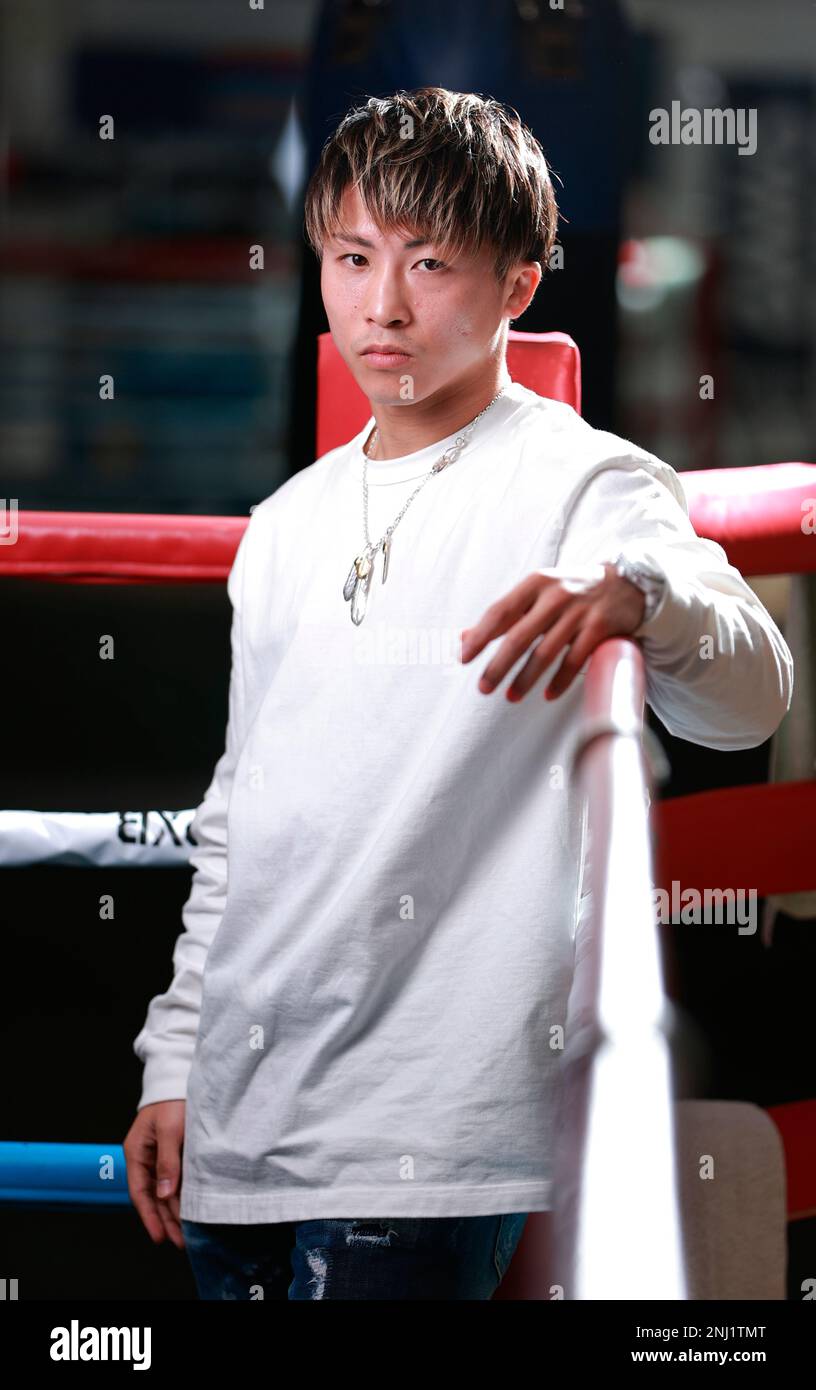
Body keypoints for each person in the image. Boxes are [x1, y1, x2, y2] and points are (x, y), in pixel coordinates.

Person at [123, 87, 794, 1301]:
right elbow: (239, 823)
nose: (382, 306)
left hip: (427, 1136)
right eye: (352, 258)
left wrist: (640, 596)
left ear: (519, 285)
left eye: (430, 263)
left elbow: (752, 693)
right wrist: (173, 1060)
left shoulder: (590, 485)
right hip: (245, 1121)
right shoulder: (282, 528)